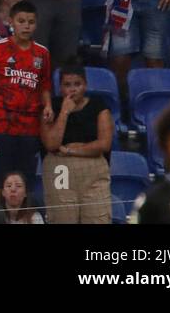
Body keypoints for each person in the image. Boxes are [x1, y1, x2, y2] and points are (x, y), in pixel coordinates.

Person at [0, 0, 54, 186]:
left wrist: (49, 105)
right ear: (11, 21)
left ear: (36, 24)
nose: (26, 26)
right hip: (1, 123)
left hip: (29, 127)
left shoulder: (42, 53)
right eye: (21, 21)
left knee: (24, 181)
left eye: (30, 22)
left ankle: (21, 215)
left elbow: (44, 86)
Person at [41, 65, 113, 224]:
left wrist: (69, 150)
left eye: (77, 84)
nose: (72, 90)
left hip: (93, 170)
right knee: (63, 219)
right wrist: (64, 112)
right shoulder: (51, 107)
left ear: (85, 85)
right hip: (61, 170)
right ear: (60, 87)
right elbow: (51, 144)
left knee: (98, 219)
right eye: (67, 85)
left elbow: (104, 144)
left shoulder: (99, 106)